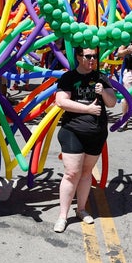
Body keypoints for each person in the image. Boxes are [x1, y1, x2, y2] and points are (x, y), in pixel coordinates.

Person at [52, 47, 116, 233]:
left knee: (86, 173)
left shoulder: (101, 77)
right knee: (72, 173)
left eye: (95, 56)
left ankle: (81, 209)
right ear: (79, 57)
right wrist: (87, 109)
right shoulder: (69, 77)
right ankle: (62, 216)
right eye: (88, 56)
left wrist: (103, 92)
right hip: (73, 131)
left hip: (96, 132)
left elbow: (112, 102)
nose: (92, 59)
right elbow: (61, 101)